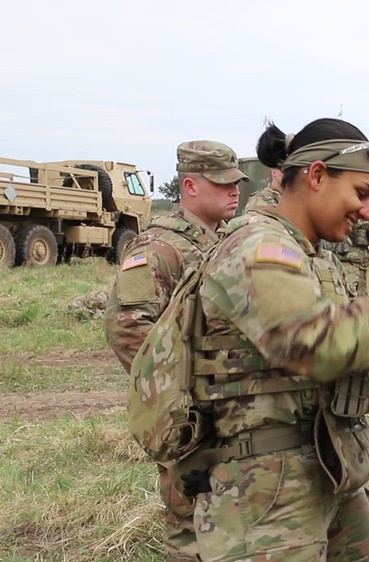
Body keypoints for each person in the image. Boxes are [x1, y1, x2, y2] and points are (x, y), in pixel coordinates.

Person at [184, 118, 369, 561]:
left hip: (324, 466)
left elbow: (338, 354)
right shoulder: (259, 247)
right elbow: (314, 347)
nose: (368, 211)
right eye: (361, 193)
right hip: (262, 493)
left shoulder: (307, 252)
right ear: (315, 176)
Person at [104, 140, 248, 561]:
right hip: (192, 422)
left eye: (236, 182)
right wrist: (178, 404)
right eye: (222, 184)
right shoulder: (159, 248)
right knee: (191, 532)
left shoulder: (220, 241)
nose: (234, 191)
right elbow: (127, 328)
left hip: (227, 414)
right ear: (189, 186)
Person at [325, 220, 369, 297]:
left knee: (360, 300)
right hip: (346, 263)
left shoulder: (364, 219)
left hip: (361, 266)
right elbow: (344, 220)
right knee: (346, 297)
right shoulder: (345, 213)